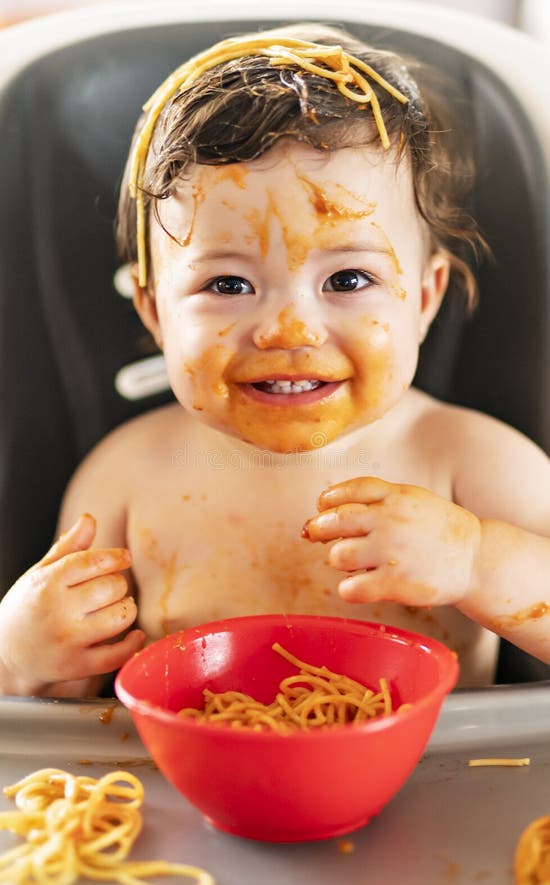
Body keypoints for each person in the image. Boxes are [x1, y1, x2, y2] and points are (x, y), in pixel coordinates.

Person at [1, 22, 550, 699]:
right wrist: (23, 659)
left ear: (425, 297)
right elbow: (58, 719)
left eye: (347, 280)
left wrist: (477, 560)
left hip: (444, 794)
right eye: (227, 286)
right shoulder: (124, 479)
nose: (289, 330)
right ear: (153, 311)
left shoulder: (469, 464)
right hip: (181, 800)